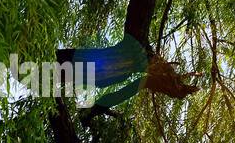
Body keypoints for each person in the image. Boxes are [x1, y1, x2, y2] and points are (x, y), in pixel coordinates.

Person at [56, 34, 201, 108]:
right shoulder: (131, 58)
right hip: (79, 64)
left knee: (51, 71)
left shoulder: (129, 68)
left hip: (78, 67)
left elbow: (113, 97)